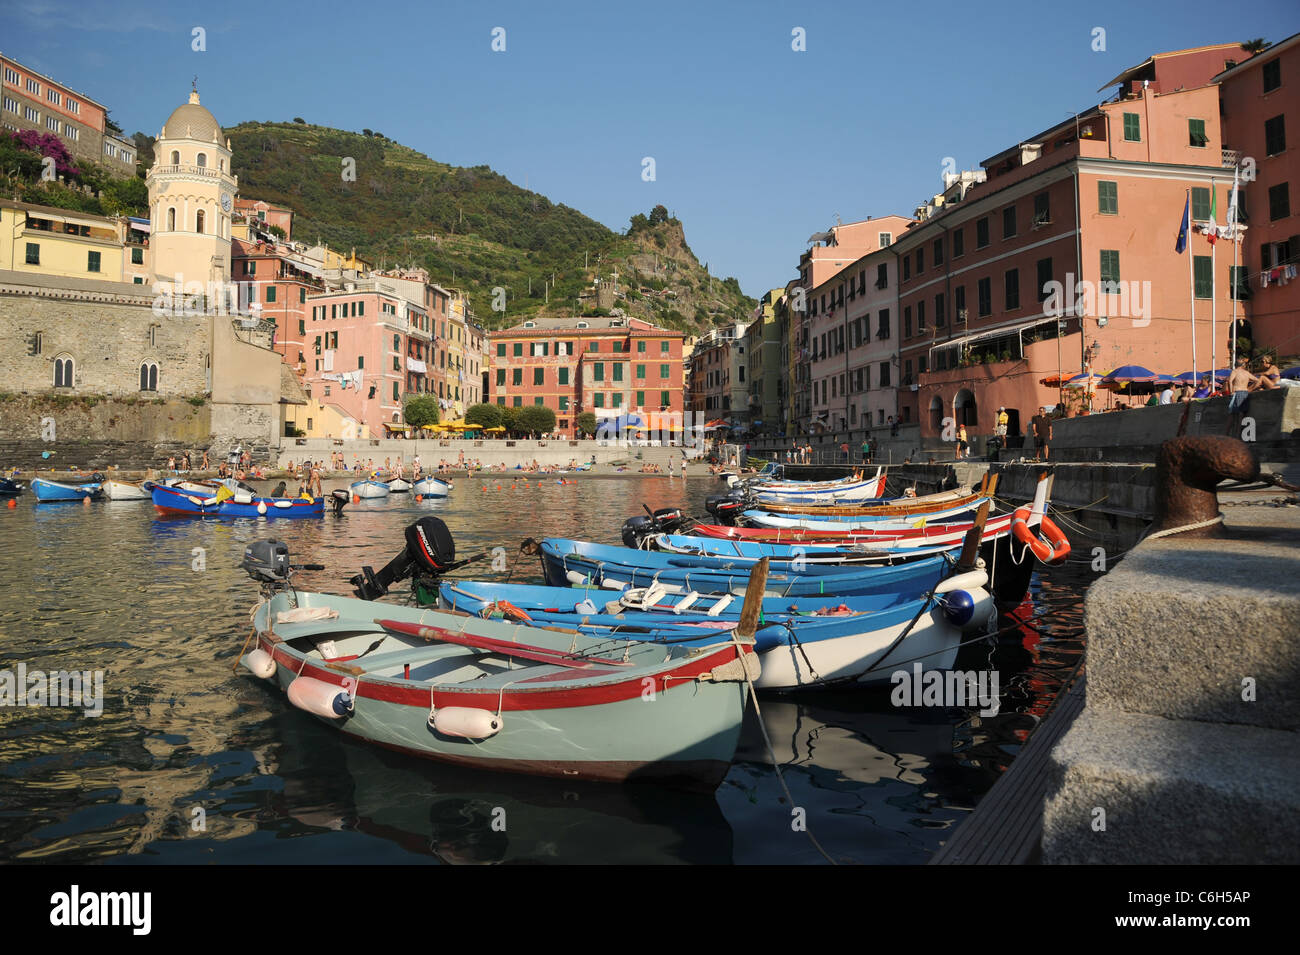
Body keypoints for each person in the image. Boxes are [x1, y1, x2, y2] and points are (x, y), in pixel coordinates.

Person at [1225, 356, 1259, 435]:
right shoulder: (1246, 373)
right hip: (1245, 393)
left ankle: (1226, 434)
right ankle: (1237, 435)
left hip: (1237, 393)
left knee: (1232, 415)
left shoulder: (1235, 371)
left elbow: (1230, 381)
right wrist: (1250, 389)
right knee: (1241, 415)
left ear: (1235, 365)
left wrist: (1231, 392)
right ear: (1243, 365)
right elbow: (1257, 381)